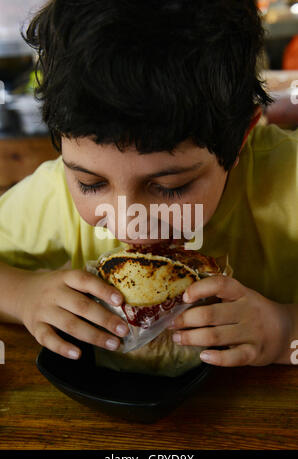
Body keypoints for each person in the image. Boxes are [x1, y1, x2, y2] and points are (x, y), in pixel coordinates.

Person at [0, 0, 297, 367]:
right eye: (91, 183)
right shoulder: (51, 195)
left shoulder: (289, 179)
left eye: (171, 187)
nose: (128, 225)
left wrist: (285, 330)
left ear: (239, 140)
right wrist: (22, 294)